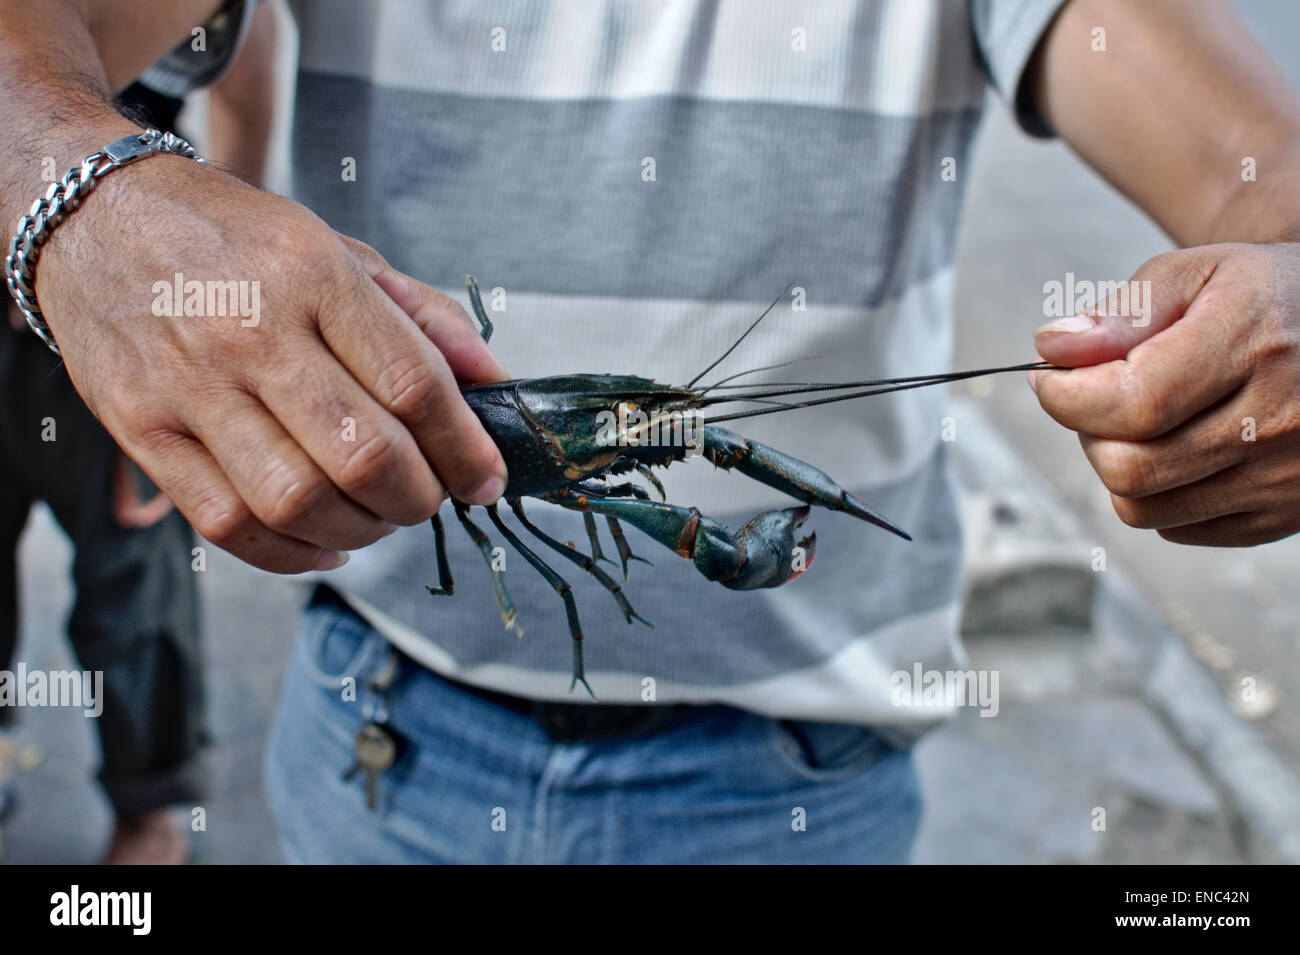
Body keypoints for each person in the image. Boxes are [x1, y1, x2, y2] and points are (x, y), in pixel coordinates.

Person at [3, 0, 1298, 863]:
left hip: (793, 790)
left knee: (691, 443)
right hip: (376, 750)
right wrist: (89, 203)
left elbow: (1260, 161)